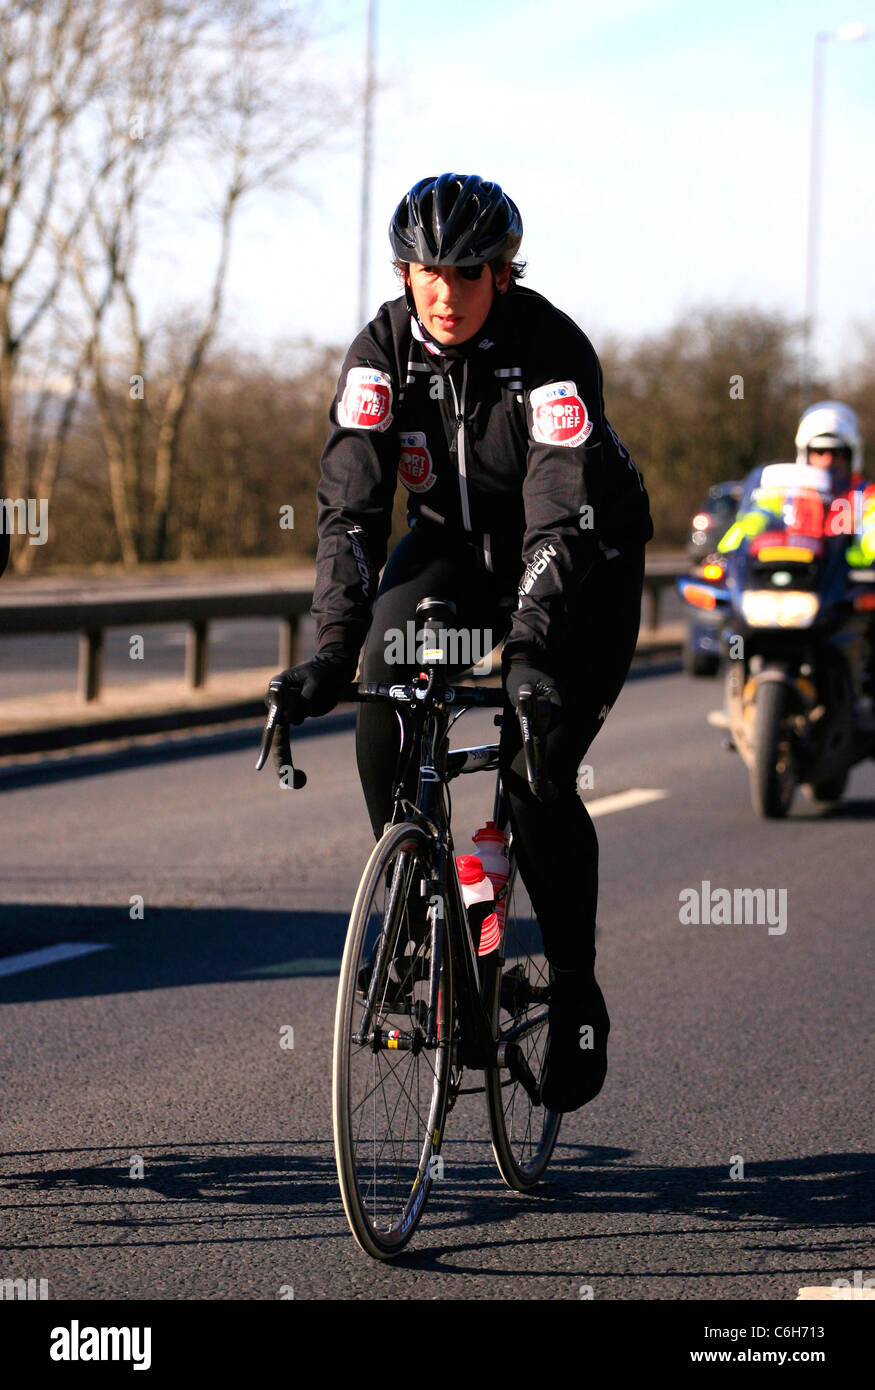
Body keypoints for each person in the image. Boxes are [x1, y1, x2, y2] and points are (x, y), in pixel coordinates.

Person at [270, 173, 653, 1111]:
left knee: (534, 775)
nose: (443, 290)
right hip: (453, 552)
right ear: (404, 272)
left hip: (580, 565)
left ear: (503, 272)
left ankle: (572, 990)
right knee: (378, 695)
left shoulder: (551, 347)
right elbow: (350, 514)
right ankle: (414, 915)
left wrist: (524, 651)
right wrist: (329, 647)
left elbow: (557, 517)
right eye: (424, 269)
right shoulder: (380, 351)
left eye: (468, 270)